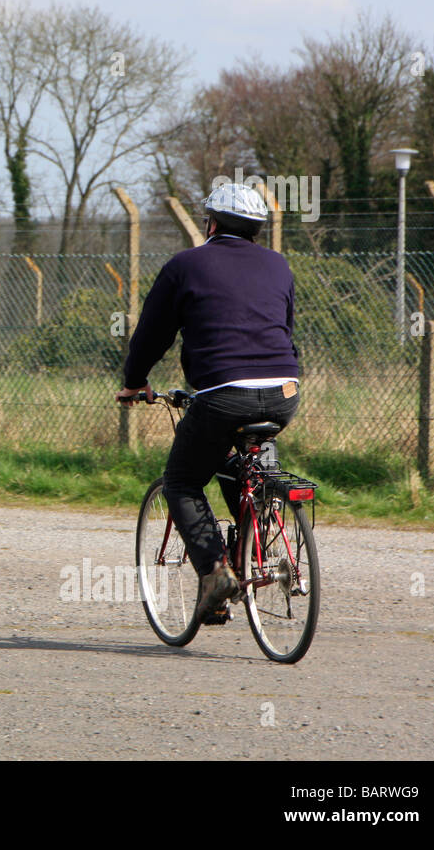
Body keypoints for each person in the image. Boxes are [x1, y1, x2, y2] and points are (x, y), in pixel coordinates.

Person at [115, 182, 300, 625]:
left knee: (181, 481)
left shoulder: (185, 266)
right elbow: (284, 327)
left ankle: (216, 572)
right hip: (285, 392)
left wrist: (134, 381)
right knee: (239, 465)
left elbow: (154, 333)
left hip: (222, 396)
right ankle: (257, 538)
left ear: (211, 223)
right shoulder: (278, 265)